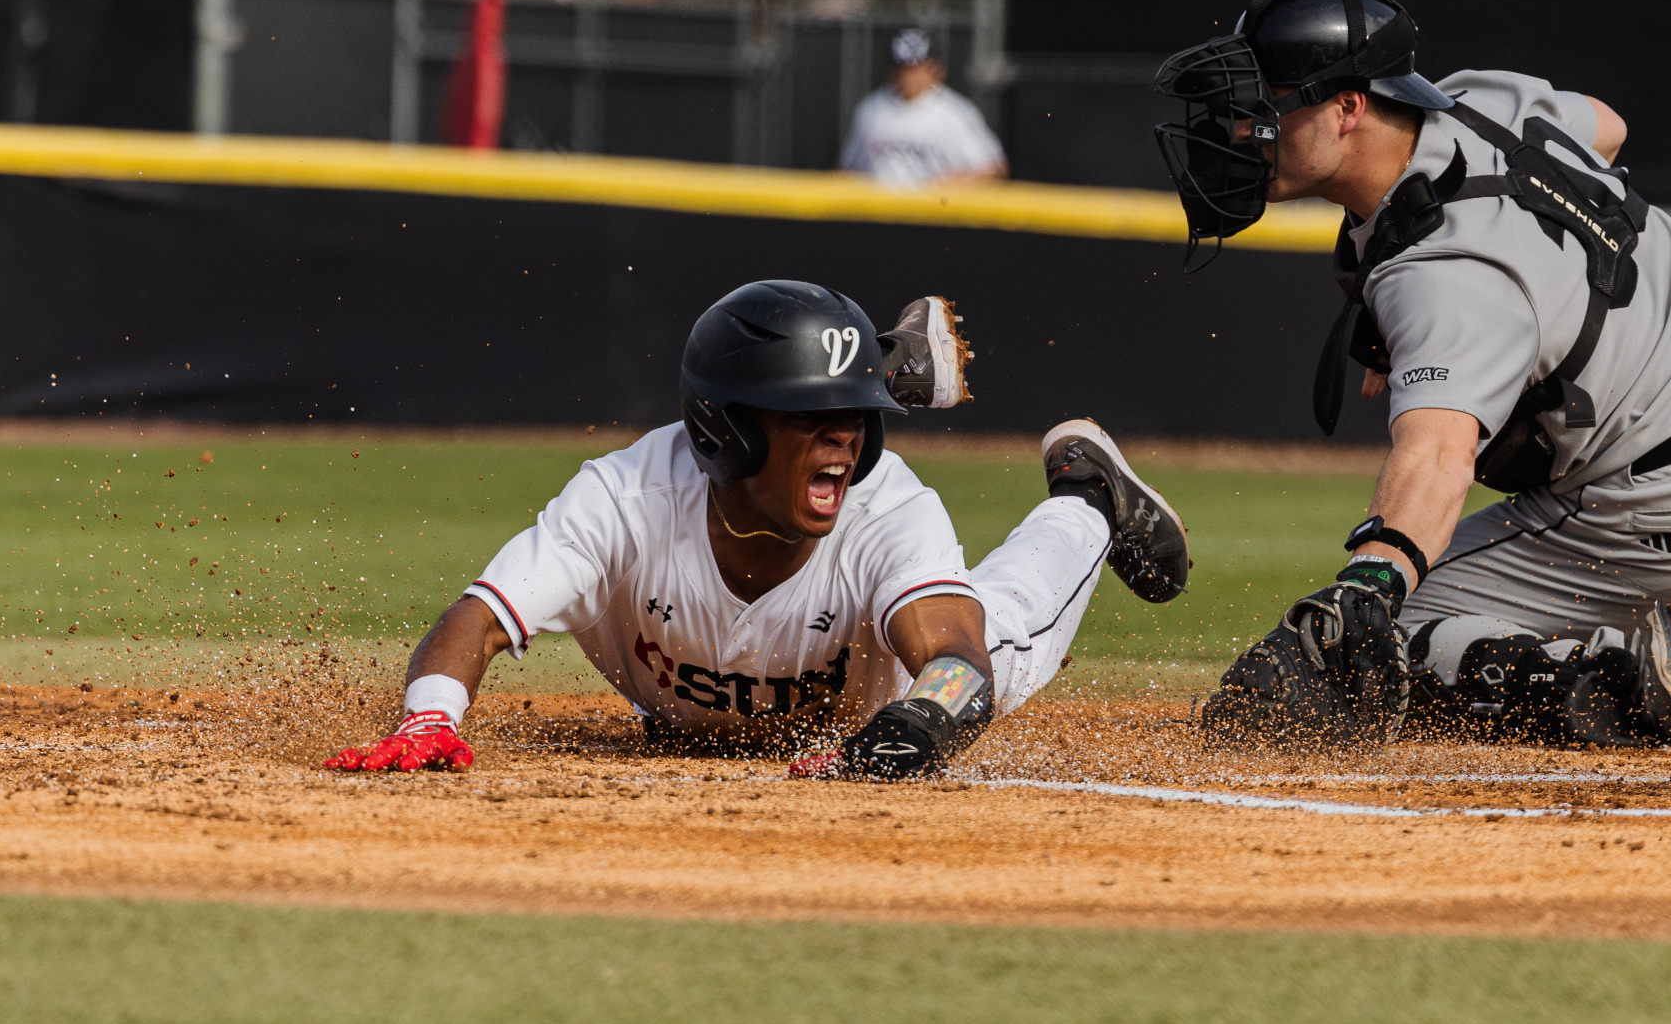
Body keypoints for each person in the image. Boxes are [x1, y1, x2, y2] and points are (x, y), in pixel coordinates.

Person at [1151, 0, 1671, 752]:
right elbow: (1607, 126)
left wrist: (1371, 581)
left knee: (1385, 644)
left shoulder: (1441, 277)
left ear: (1348, 108)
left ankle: (1612, 682)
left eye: (1268, 106)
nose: (1242, 131)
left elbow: (1438, 455)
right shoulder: (1481, 100)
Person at [327, 281, 1188, 778]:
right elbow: (475, 618)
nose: (846, 436)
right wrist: (428, 719)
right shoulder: (625, 498)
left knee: (1005, 623)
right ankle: (890, 358)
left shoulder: (889, 510)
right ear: (726, 432)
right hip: (725, 672)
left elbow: (961, 668)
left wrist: (905, 735)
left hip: (875, 691)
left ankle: (1086, 498)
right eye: (812, 413)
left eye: (857, 411)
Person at [839, 29, 1008, 188]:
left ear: (936, 70)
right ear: (891, 70)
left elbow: (995, 169)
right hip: (880, 211)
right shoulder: (872, 109)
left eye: (917, 68)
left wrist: (953, 184)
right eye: (903, 68)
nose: (909, 76)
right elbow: (846, 169)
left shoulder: (955, 112)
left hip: (934, 213)